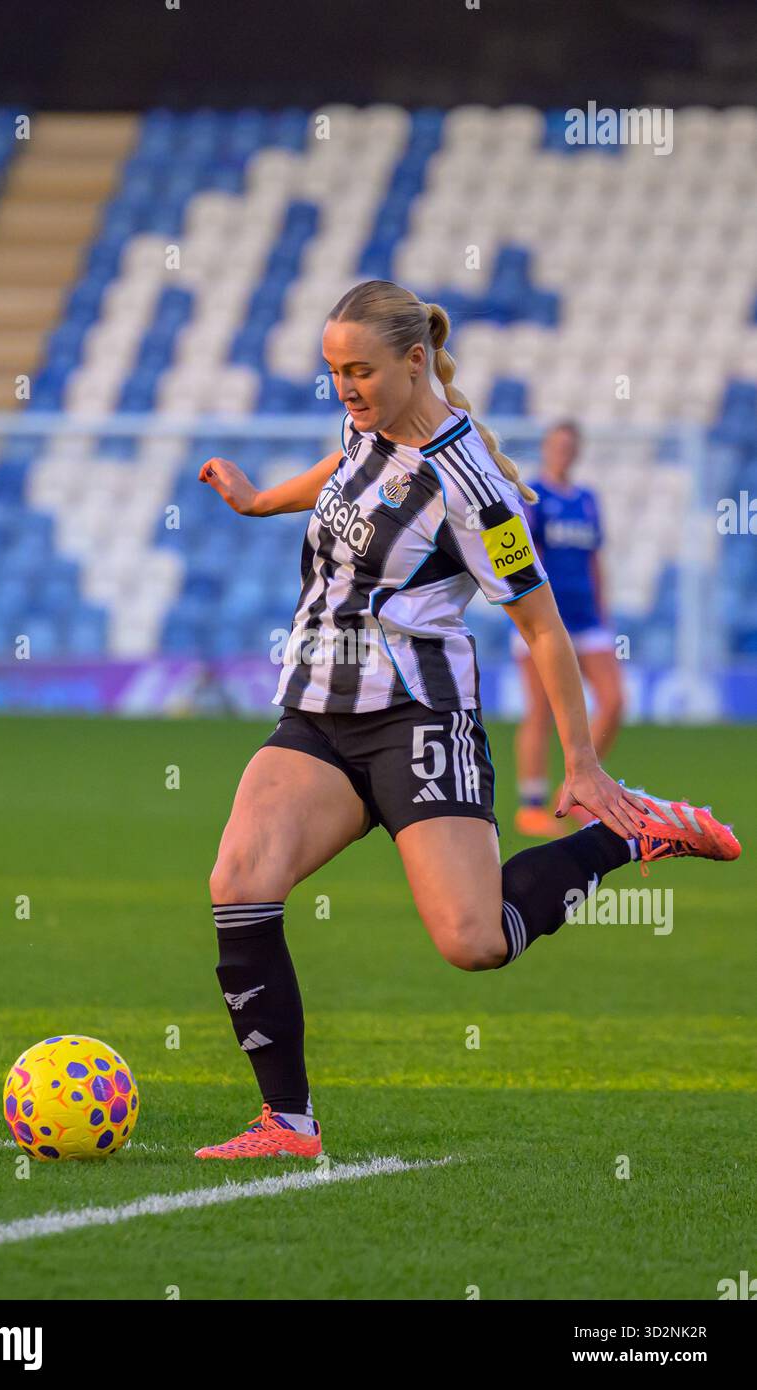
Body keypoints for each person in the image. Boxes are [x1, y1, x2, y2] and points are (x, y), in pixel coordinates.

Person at [194, 279, 740, 1160]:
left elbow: (542, 628)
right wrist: (261, 502)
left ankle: (627, 834)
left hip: (418, 718)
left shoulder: (475, 491)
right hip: (319, 712)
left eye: (361, 371)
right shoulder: (365, 423)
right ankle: (287, 1122)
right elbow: (347, 472)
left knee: (474, 942)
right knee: (239, 882)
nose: (346, 390)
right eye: (335, 372)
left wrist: (583, 763)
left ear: (416, 362)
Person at [513, 421, 624, 837]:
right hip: (546, 620)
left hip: (586, 617)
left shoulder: (588, 500)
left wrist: (603, 606)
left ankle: (576, 786)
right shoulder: (533, 498)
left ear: (575, 452)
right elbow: (525, 559)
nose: (563, 452)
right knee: (540, 712)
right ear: (546, 449)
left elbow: (594, 558)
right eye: (556, 445)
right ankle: (531, 805)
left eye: (569, 446)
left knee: (613, 700)